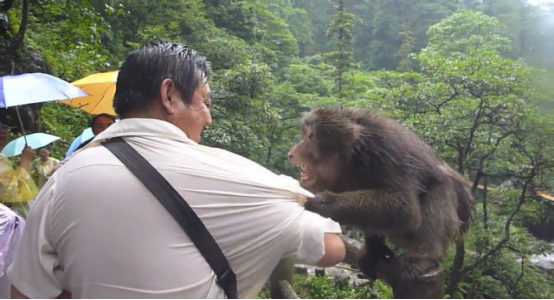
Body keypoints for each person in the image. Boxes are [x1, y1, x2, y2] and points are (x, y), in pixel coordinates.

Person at [8, 41, 346, 299]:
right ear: (169, 95)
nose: (209, 118)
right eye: (205, 102)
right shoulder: (233, 176)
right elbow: (331, 247)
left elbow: (24, 292)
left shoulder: (64, 179)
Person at [0, 117, 38, 219]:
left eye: (4, 127)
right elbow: (11, 194)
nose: (2, 131)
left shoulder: (3, 158)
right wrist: (25, 162)